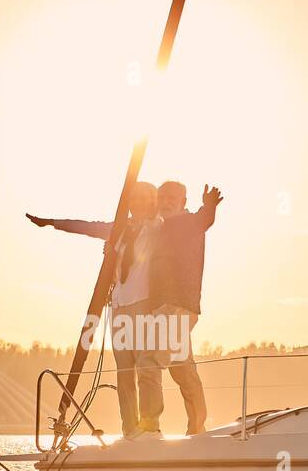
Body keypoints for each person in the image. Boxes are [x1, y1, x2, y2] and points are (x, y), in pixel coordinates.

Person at [26, 182, 162, 439]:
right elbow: (85, 227)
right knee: (124, 370)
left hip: (144, 304)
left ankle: (150, 427)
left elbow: (178, 229)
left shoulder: (157, 228)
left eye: (145, 198)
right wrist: (51, 222)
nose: (140, 203)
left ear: (153, 201)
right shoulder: (120, 229)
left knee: (146, 368)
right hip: (119, 306)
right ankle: (130, 429)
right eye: (135, 198)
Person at [135, 181, 222, 436]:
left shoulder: (187, 223)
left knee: (149, 363)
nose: (166, 201)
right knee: (183, 371)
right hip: (163, 308)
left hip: (177, 307)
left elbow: (204, 220)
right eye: (162, 196)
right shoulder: (158, 229)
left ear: (184, 202)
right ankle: (197, 428)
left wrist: (209, 206)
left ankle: (149, 429)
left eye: (173, 197)